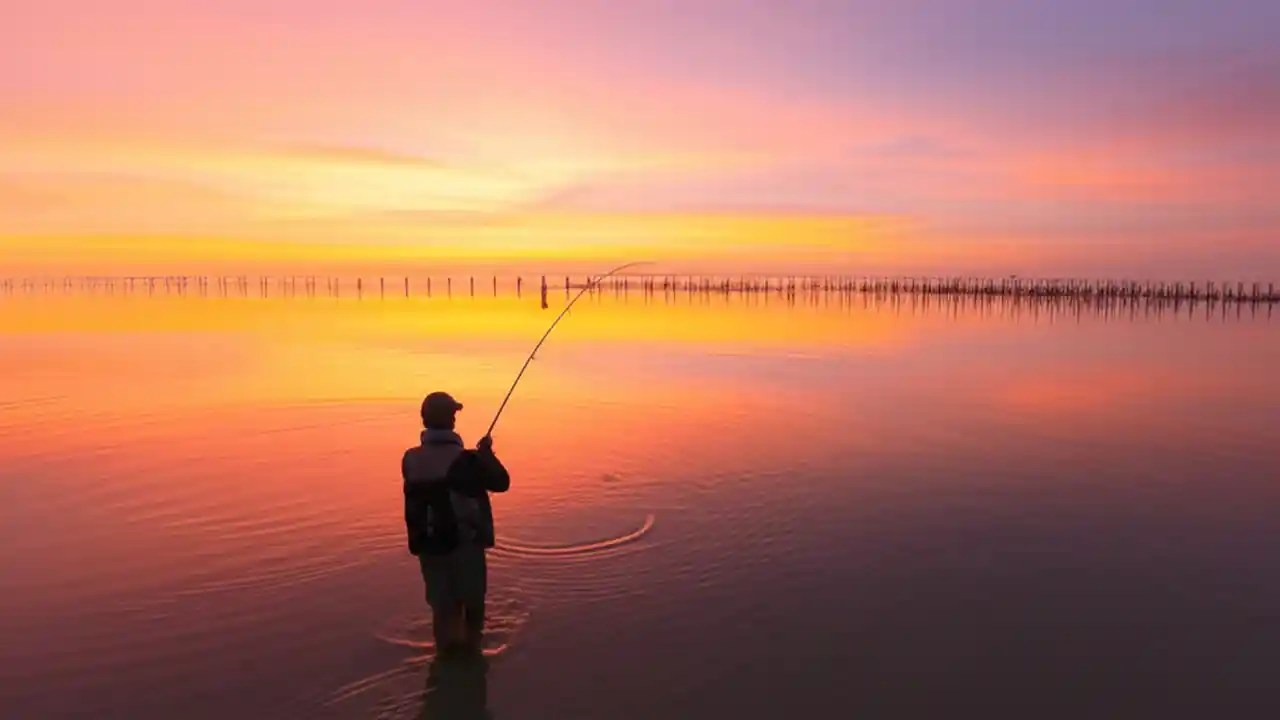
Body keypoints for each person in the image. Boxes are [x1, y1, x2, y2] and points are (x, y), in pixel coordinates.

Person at [402, 391, 510, 654]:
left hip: (429, 545)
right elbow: (501, 482)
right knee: (472, 604)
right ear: (450, 420)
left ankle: (444, 655)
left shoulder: (410, 458)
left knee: (442, 607)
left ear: (424, 420)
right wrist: (486, 454)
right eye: (452, 414)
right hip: (465, 546)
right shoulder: (467, 460)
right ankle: (472, 653)